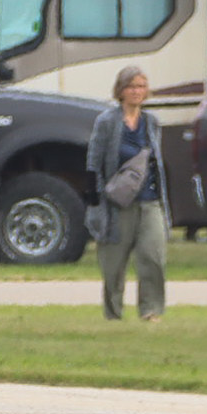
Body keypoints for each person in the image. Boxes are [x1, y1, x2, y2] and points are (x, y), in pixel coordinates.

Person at [87, 64, 171, 323]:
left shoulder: (152, 123)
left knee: (153, 256)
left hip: (150, 201)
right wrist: (96, 199)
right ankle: (113, 313)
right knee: (113, 265)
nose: (137, 91)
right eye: (132, 86)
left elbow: (157, 163)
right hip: (117, 204)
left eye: (141, 86)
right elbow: (94, 161)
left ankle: (151, 310)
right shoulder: (107, 122)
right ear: (121, 90)